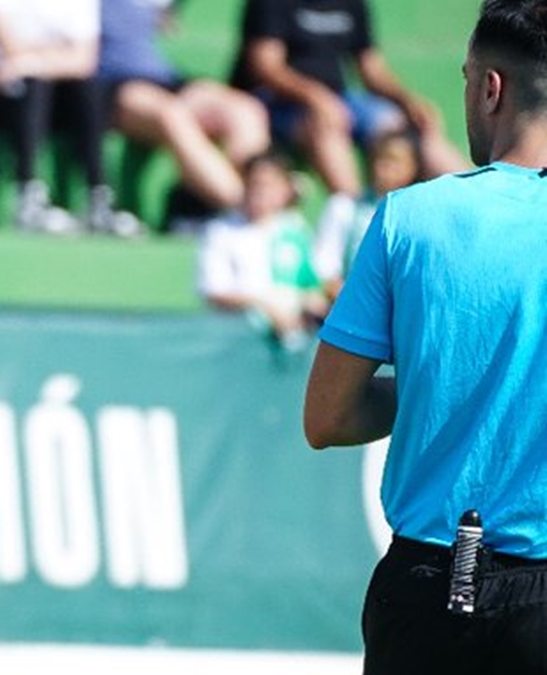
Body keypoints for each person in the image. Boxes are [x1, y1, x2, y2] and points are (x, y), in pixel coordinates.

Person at [305, 1, 547, 671]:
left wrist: (434, 387)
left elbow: (327, 415)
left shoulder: (410, 217)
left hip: (429, 587)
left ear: (490, 88)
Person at [0, 0, 140, 236]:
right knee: (32, 83)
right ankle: (27, 196)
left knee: (85, 89)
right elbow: (10, 48)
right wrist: (51, 58)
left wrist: (35, 62)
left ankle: (99, 198)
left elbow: (84, 62)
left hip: (30, 88)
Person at [229, 0, 468, 200]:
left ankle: (473, 200)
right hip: (277, 102)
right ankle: (355, 214)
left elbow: (370, 67)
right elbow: (265, 65)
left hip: (341, 99)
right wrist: (315, 97)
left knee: (406, 127)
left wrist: (407, 101)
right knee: (326, 125)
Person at [99, 0, 271, 228]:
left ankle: (253, 195)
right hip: (106, 85)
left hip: (164, 79)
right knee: (172, 115)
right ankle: (249, 210)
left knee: (244, 110)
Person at [197, 149, 327, 350]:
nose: (261, 192)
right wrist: (267, 307)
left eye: (269, 185)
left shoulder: (295, 229)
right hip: (236, 343)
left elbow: (310, 286)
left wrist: (308, 306)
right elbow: (215, 291)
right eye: (255, 183)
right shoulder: (220, 232)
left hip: (295, 339)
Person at [312, 129, 421, 299]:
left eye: (394, 160)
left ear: (412, 167)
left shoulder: (418, 217)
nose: (383, 166)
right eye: (378, 158)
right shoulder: (343, 207)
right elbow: (325, 270)